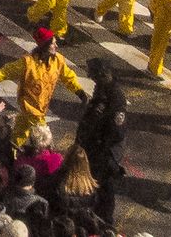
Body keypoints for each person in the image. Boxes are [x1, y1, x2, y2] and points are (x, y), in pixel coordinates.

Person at [0, 28, 85, 149]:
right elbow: (8, 71)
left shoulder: (58, 60)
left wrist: (79, 91)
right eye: (53, 43)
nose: (56, 46)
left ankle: (10, 150)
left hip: (41, 107)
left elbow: (68, 76)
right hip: (31, 109)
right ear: (45, 46)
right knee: (44, 139)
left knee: (19, 133)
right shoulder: (28, 63)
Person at [75, 58, 127, 226]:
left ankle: (106, 222)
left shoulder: (115, 96)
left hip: (104, 151)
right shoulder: (102, 89)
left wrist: (102, 149)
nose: (91, 78)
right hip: (94, 146)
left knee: (105, 189)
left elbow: (116, 131)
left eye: (94, 75)